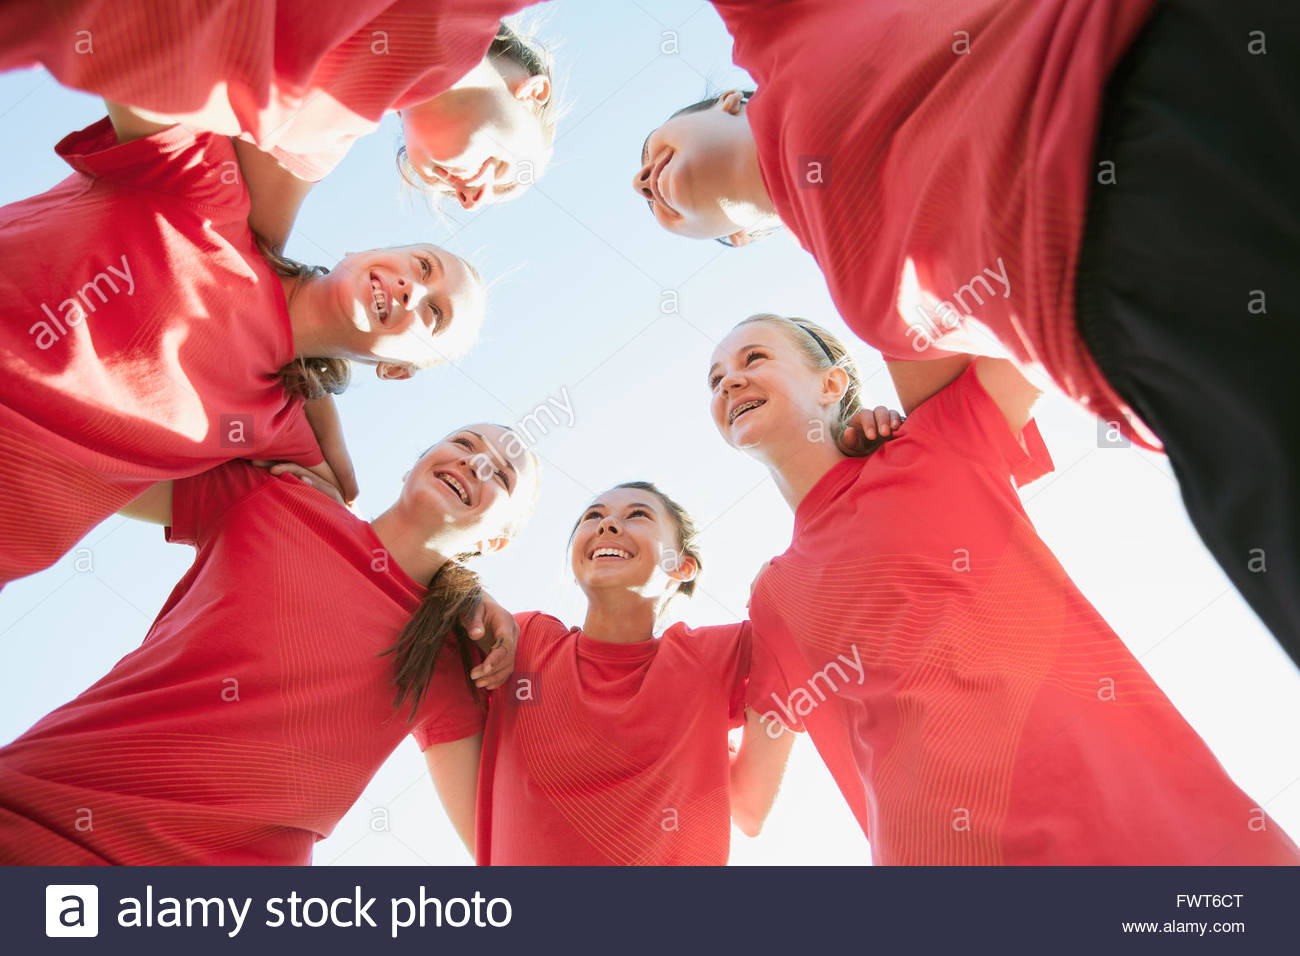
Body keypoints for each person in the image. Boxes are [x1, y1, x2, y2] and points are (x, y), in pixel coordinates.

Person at [635, 0, 1300, 664]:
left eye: (652, 150)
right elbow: (955, 441)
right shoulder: (862, 295)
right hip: (1161, 351)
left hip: (1162, 73)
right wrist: (866, 458)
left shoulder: (783, 33)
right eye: (644, 193)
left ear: (727, 103)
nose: (642, 181)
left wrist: (522, 109)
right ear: (741, 236)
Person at [708, 312, 1300, 864]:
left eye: (753, 358)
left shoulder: (934, 444)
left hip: (1129, 811)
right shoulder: (774, 596)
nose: (729, 382)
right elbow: (749, 803)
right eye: (715, 379)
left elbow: (1048, 327)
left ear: (834, 383)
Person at [0, 424, 537, 864]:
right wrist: (273, 437)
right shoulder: (272, 496)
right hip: (39, 810)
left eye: (503, 476)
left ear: (497, 540)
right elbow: (87, 464)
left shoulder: (452, 656)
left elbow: (505, 853)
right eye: (465, 443)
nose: (476, 463)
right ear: (412, 464)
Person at [0, 105, 486, 586]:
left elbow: (349, 533)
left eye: (434, 315)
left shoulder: (276, 427)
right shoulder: (208, 195)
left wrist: (468, 600)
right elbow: (131, 52)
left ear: (398, 370)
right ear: (359, 251)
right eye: (423, 266)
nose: (413, 291)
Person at [457, 482, 794, 865]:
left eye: (638, 515)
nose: (608, 526)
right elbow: (423, 605)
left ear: (681, 567)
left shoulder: (709, 661)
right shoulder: (526, 646)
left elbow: (808, 615)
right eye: (593, 517)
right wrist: (469, 593)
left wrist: (776, 583)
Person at [0, 3, 559, 227]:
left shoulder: (318, 143)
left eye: (458, 201)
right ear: (528, 93)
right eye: (510, 174)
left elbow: (252, 274)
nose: (471, 198)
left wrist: (312, 402)